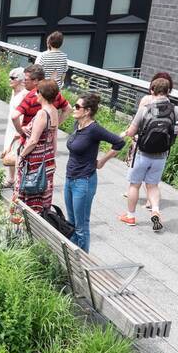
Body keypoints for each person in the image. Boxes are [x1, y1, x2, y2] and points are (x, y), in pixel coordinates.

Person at [62, 93, 127, 252]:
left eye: (77, 107)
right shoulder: (77, 125)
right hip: (70, 178)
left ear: (87, 111)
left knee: (81, 225)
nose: (74, 109)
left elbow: (119, 142)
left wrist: (102, 161)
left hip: (84, 181)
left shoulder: (94, 129)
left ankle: (83, 261)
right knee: (71, 222)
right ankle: (72, 256)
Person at [118, 76, 178, 232]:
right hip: (161, 155)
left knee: (135, 185)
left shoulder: (145, 108)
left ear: (151, 90)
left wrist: (126, 134)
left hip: (142, 153)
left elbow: (132, 131)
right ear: (169, 91)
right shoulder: (176, 110)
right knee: (152, 186)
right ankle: (155, 210)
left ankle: (130, 216)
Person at [15, 78, 60, 214]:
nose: (35, 94)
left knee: (30, 190)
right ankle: (41, 219)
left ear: (42, 94)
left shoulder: (42, 113)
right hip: (47, 158)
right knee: (42, 191)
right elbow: (54, 137)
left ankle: (26, 220)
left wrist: (21, 157)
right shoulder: (54, 111)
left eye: (37, 92)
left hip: (35, 159)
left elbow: (33, 141)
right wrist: (52, 157)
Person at [12, 65, 71, 138]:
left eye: (26, 79)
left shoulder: (30, 97)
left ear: (36, 81)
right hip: (46, 140)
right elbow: (68, 109)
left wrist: (21, 133)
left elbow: (14, 116)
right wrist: (54, 126)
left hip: (29, 138)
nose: (23, 82)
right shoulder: (54, 93)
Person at [1, 65, 27, 189]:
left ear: (21, 80)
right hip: (10, 126)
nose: (10, 80)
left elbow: (24, 113)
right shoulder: (13, 91)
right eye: (9, 77)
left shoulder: (24, 94)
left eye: (13, 78)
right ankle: (10, 178)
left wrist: (20, 130)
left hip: (19, 127)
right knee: (8, 151)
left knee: (18, 153)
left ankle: (18, 180)